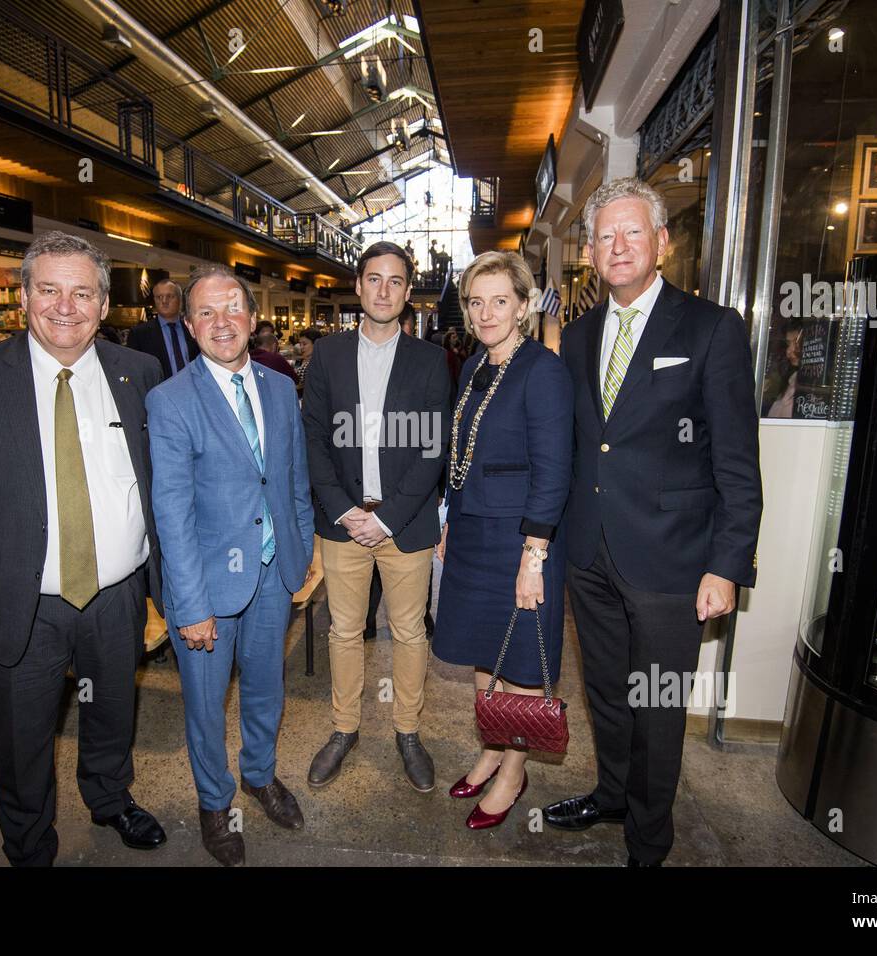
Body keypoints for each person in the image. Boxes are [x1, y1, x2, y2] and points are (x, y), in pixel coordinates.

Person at [0, 230, 167, 866]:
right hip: (17, 599)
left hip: (116, 595)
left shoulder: (137, 372)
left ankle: (110, 799)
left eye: (82, 292)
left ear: (104, 303)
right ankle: (30, 844)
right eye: (50, 289)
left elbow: (154, 475)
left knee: (113, 710)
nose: (66, 306)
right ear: (24, 295)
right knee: (21, 735)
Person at [544, 178, 762, 866]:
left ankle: (649, 837)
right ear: (589, 251)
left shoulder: (710, 328)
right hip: (592, 553)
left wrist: (728, 565)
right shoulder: (575, 338)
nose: (618, 246)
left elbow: (737, 461)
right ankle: (612, 793)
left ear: (662, 242)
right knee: (607, 693)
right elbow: (584, 445)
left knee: (658, 706)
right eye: (606, 235)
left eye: (632, 232)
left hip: (674, 561)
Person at [147, 264, 315, 867]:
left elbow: (291, 477)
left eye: (232, 309)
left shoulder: (277, 387)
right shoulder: (169, 402)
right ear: (190, 326)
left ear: (251, 317)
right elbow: (171, 513)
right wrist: (188, 605)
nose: (222, 323)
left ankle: (260, 776)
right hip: (208, 586)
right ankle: (214, 804)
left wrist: (303, 553)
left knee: (267, 690)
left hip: (273, 573)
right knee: (205, 705)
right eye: (207, 313)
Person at [302, 240, 450, 792]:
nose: (383, 290)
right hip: (342, 522)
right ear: (358, 286)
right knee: (344, 631)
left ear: (408, 294)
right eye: (374, 279)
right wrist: (343, 509)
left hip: (404, 525)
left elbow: (432, 448)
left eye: (395, 281)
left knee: (410, 633)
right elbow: (313, 437)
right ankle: (344, 729)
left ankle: (408, 732)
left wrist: (386, 518)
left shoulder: (431, 361)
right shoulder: (329, 355)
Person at [432, 251, 572, 830]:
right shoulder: (473, 368)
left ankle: (514, 770)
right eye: (475, 301)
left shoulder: (543, 370)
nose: (486, 313)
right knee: (484, 655)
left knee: (519, 662)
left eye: (499, 301)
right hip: (471, 533)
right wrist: (449, 516)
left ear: (522, 306)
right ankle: (492, 747)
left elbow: (553, 469)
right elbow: (463, 456)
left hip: (522, 542)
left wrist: (533, 557)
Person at [127, 275, 199, 381]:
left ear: (180, 300)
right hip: (158, 390)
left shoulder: (193, 327)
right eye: (159, 297)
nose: (164, 301)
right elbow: (134, 370)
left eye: (169, 296)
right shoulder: (139, 334)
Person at [291, 327, 321, 395]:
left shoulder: (316, 364)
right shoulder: (300, 361)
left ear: (315, 344)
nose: (301, 347)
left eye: (304, 344)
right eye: (300, 344)